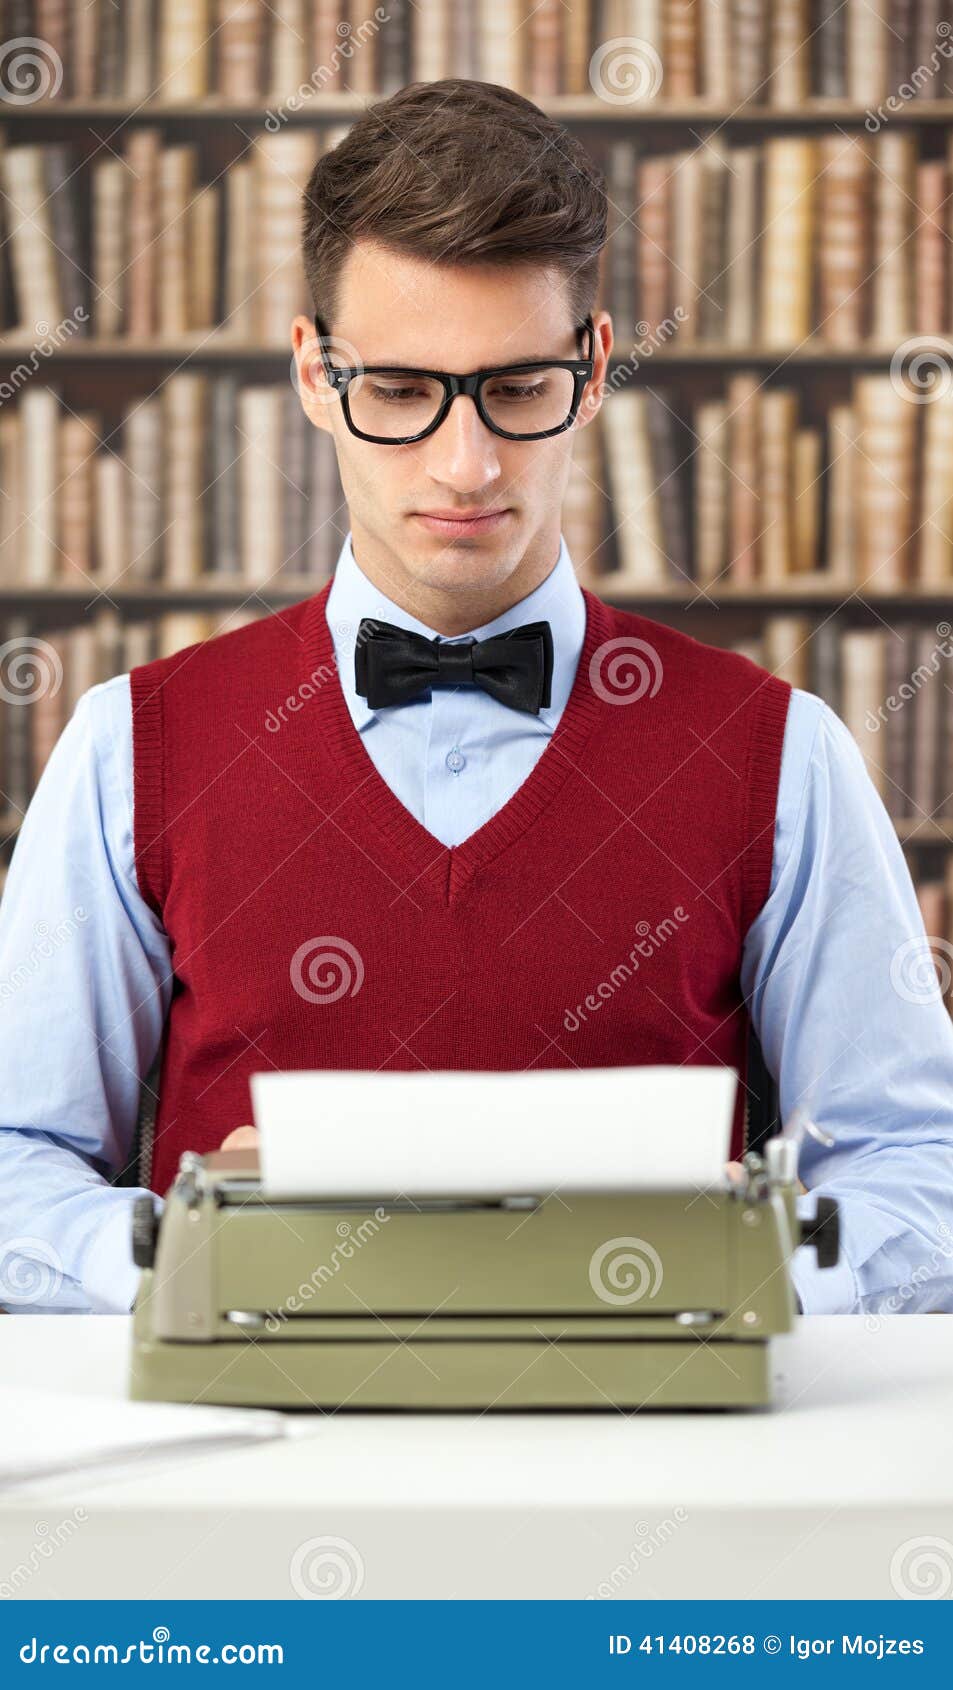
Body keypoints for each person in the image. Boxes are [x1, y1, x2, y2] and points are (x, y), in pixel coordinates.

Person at [2, 80, 952, 1319]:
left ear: (593, 366)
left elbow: (912, 1168)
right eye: (400, 391)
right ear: (310, 372)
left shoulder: (782, 754)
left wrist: (743, 1262)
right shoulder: (131, 750)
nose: (466, 465)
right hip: (233, 1474)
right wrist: (204, 1260)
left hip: (664, 1473)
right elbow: (16, 1157)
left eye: (516, 389)